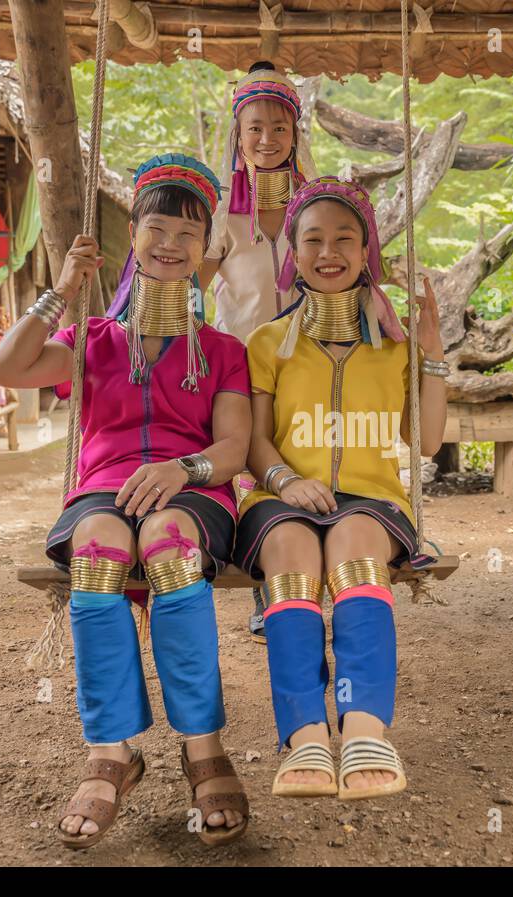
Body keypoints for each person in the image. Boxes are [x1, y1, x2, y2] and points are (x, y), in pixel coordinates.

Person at [0, 154, 252, 848]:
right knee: (99, 551)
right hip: (102, 494)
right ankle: (111, 752)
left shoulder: (222, 350)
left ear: (205, 250)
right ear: (132, 235)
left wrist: (183, 469)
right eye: (155, 228)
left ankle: (203, 747)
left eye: (187, 234)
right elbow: (7, 368)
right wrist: (61, 291)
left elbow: (233, 447)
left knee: (168, 544)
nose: (169, 244)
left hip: (192, 493)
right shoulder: (93, 341)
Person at [235, 176, 449, 800]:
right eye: (313, 240)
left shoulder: (396, 347)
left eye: (344, 240)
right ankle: (304, 735)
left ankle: (363, 728)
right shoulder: (267, 342)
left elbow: (428, 441)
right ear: (293, 254)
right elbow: (254, 440)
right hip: (280, 497)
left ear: (366, 253)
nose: (329, 252)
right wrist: (285, 481)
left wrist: (431, 352)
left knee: (355, 546)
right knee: (292, 556)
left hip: (371, 500)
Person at [198, 61, 319, 642]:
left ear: (295, 134)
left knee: (296, 463)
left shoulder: (315, 205)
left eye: (279, 127)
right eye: (255, 128)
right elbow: (190, 289)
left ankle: (293, 581)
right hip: (240, 366)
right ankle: (264, 581)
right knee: (250, 465)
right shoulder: (219, 209)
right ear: (237, 135)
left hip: (306, 364)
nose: (267, 140)